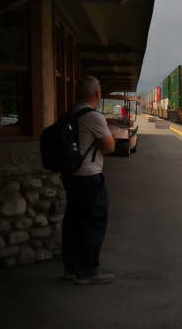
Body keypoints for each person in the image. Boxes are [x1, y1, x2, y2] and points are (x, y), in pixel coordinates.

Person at [61, 75, 116, 285]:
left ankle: (71, 268)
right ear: (97, 94)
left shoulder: (71, 112)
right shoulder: (93, 116)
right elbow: (110, 147)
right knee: (94, 222)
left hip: (71, 176)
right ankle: (89, 270)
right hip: (89, 177)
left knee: (73, 222)